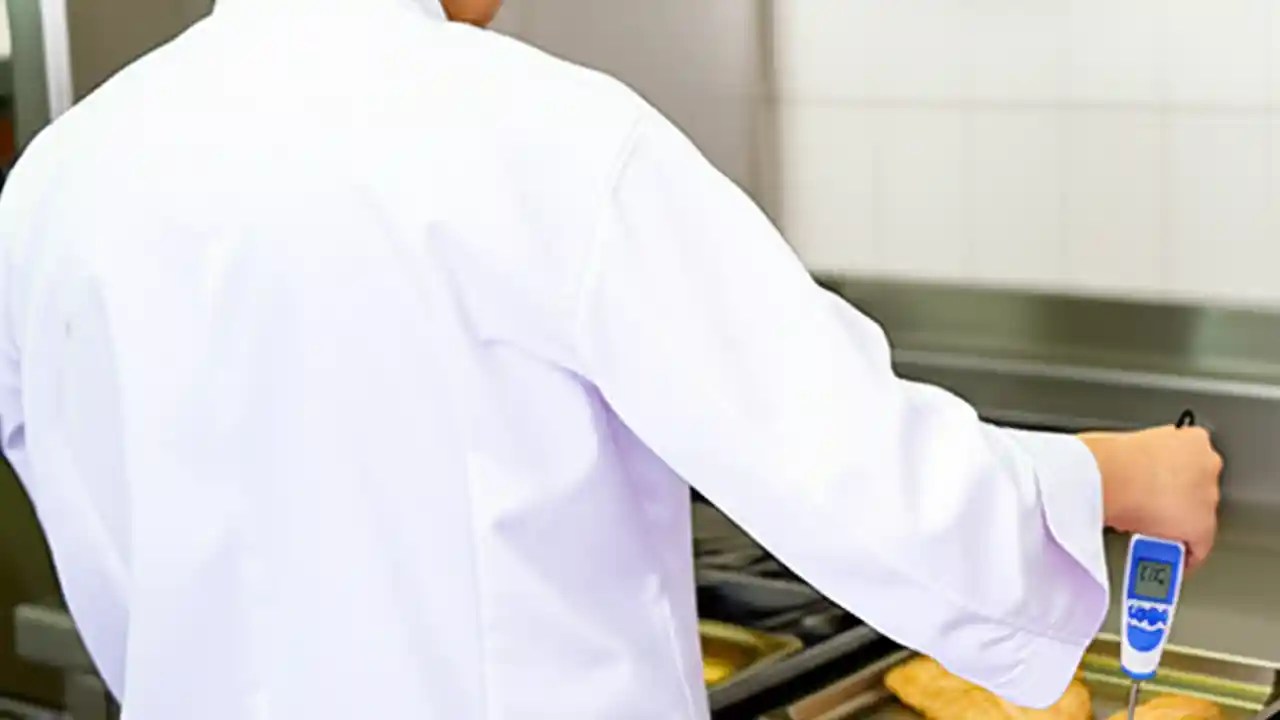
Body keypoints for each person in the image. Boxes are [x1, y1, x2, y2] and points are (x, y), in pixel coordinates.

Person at [0, 0, 1221, 718]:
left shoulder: (63, 174)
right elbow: (838, 458)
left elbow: (108, 526)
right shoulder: (543, 135)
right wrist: (1106, 477)